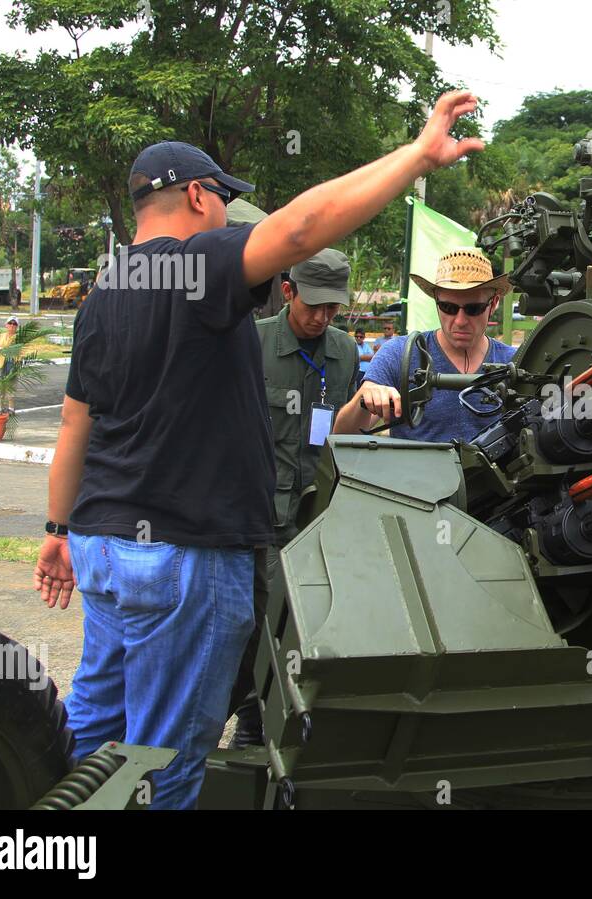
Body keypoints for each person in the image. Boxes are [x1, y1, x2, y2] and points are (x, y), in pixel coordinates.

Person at [32, 90, 484, 808]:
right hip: (184, 555)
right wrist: (417, 155)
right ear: (200, 196)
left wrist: (57, 533)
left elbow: (74, 428)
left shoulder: (102, 294)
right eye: (224, 202)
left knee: (97, 742)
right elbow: (302, 229)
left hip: (103, 545)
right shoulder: (199, 264)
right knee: (163, 764)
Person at [227, 248, 359, 747]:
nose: (323, 317)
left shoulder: (344, 352)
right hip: (260, 517)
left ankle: (304, 719)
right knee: (258, 625)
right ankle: (252, 719)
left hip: (320, 515)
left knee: (315, 624)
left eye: (332, 308)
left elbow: (343, 434)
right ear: (287, 292)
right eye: (314, 306)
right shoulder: (251, 343)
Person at [334, 248, 514, 441]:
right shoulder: (400, 354)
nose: (460, 321)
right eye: (448, 307)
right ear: (436, 301)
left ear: (493, 303)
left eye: (473, 309)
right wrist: (365, 398)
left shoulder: (514, 362)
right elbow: (343, 435)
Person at [0, 316, 20, 412]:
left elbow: (15, 349)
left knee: (11, 387)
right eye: (10, 323)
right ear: (6, 325)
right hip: (2, 363)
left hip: (13, 363)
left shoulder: (18, 337)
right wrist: (1, 349)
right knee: (0, 386)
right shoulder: (1, 336)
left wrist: (3, 349)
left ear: (17, 326)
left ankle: (11, 408)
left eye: (14, 324)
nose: (12, 325)